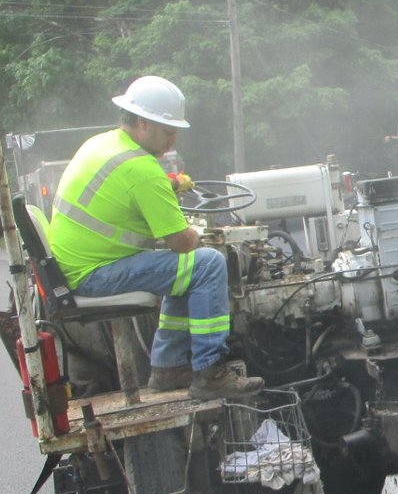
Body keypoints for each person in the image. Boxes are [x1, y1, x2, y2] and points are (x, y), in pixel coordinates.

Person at [49, 75, 263, 400]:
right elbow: (183, 243)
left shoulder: (102, 144)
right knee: (207, 264)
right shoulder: (142, 170)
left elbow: (121, 197)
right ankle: (210, 372)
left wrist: (168, 186)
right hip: (92, 275)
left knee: (183, 272)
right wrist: (194, 229)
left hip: (74, 266)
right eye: (167, 132)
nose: (172, 142)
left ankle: (169, 368)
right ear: (142, 123)